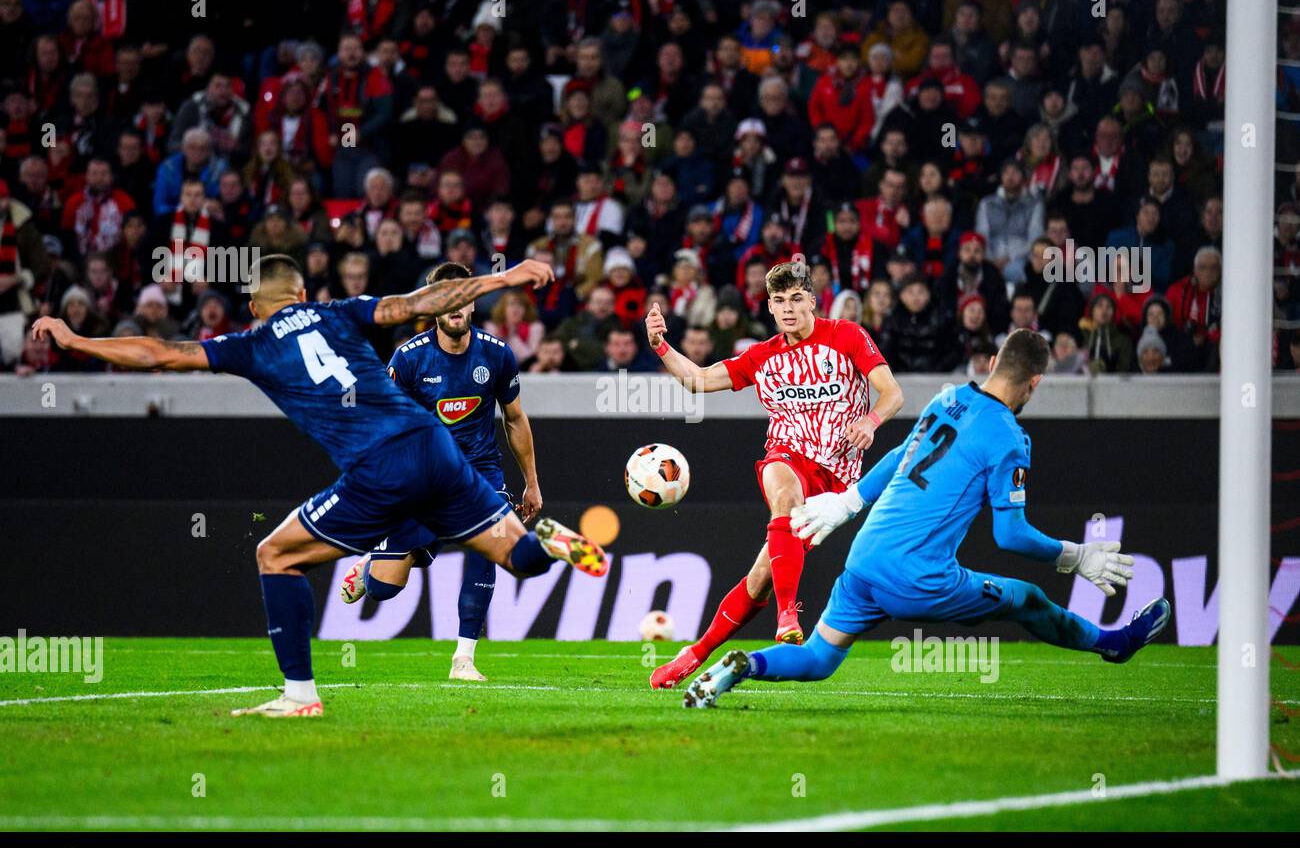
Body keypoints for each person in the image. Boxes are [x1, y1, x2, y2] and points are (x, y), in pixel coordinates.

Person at [30, 255, 606, 717]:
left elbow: (158, 353)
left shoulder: (250, 344)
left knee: (275, 555)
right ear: (304, 295)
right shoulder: (340, 312)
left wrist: (73, 339)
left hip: (380, 466)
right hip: (434, 444)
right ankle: (551, 540)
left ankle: (299, 694)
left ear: (255, 306)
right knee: (519, 559)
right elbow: (416, 305)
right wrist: (503, 278)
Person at [684, 329, 1169, 708]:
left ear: (994, 362)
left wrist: (848, 503)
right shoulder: (1010, 438)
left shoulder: (947, 399)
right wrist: (1073, 555)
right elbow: (1010, 535)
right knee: (1028, 599)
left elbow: (900, 452)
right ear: (1036, 383)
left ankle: (747, 664)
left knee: (817, 658)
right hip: (920, 577)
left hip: (863, 561)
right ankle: (1114, 643)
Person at [645, 262, 904, 689]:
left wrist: (871, 421)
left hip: (836, 477)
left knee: (759, 579)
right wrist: (660, 346)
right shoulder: (762, 356)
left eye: (796, 299)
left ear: (812, 301)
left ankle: (695, 654)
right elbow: (698, 380)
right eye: (779, 301)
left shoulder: (847, 336)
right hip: (786, 454)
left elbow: (892, 392)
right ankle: (788, 615)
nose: (788, 309)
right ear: (769, 306)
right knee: (784, 495)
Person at [338, 263, 543, 683]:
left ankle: (463, 659)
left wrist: (531, 483)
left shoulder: (497, 354)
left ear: (473, 302)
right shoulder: (409, 359)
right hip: (423, 478)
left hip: (479, 473)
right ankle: (382, 562)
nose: (455, 307)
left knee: (493, 543)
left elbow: (515, 418)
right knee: (383, 589)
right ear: (431, 307)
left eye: (462, 297)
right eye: (445, 299)